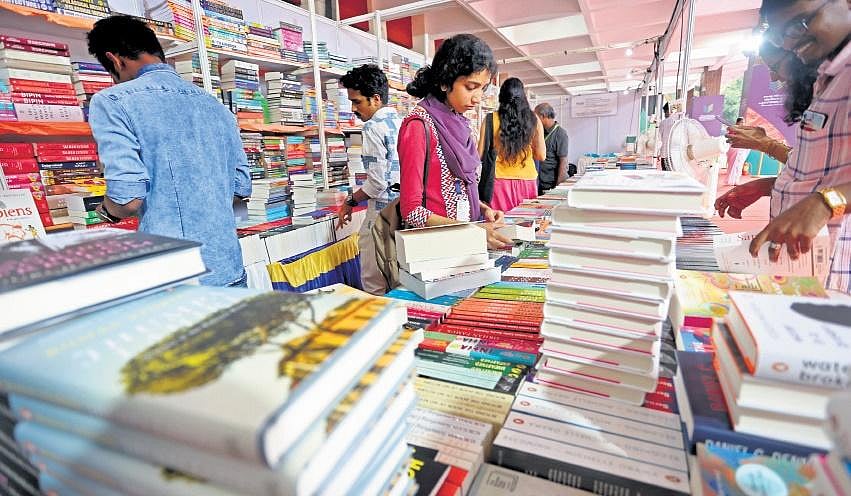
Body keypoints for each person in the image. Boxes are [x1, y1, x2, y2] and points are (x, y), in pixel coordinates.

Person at [87, 15, 251, 287]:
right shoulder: (216, 106)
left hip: (177, 277)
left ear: (115, 60)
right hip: (229, 267)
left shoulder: (112, 101)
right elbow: (241, 186)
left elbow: (127, 198)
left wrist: (106, 212)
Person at [719, 0, 851, 292]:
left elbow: (830, 191)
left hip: (831, 263)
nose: (792, 42)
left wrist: (826, 202)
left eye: (800, 24)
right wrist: (770, 186)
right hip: (804, 262)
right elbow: (823, 171)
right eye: (782, 36)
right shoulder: (829, 80)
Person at [398, 34, 511, 249]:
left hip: (468, 242)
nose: (477, 98)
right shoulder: (419, 126)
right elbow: (411, 210)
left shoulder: (460, 123)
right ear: (444, 81)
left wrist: (483, 208)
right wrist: (470, 230)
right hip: (436, 248)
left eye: (483, 88)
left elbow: (454, 188)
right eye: (470, 87)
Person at [337, 64, 402, 295]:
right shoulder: (401, 121)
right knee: (400, 281)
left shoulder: (372, 128)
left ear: (375, 99)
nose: (354, 109)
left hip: (381, 215)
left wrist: (350, 201)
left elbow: (376, 184)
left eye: (357, 102)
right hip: (404, 212)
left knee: (374, 286)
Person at [477, 78, 545, 212]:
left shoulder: (490, 119)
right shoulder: (534, 119)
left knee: (499, 225)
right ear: (523, 97)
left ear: (501, 96)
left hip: (498, 182)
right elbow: (541, 155)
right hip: (527, 180)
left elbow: (478, 155)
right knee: (524, 224)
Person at [533, 103, 570, 194]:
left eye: (536, 117)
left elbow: (563, 161)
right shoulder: (538, 132)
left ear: (543, 116)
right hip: (537, 183)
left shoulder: (560, 134)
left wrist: (558, 188)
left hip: (550, 186)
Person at [725, 117, 748, 186]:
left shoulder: (744, 130)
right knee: (732, 165)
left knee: (739, 165)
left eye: (744, 122)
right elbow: (728, 138)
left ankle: (736, 180)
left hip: (741, 149)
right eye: (741, 122)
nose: (743, 124)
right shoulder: (733, 129)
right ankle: (730, 180)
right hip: (734, 149)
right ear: (737, 122)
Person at [658, 102, 674, 170]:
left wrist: (658, 152)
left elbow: (659, 138)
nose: (665, 114)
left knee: (665, 171)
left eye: (665, 112)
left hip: (664, 153)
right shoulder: (677, 121)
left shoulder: (663, 122)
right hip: (673, 153)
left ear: (669, 111)